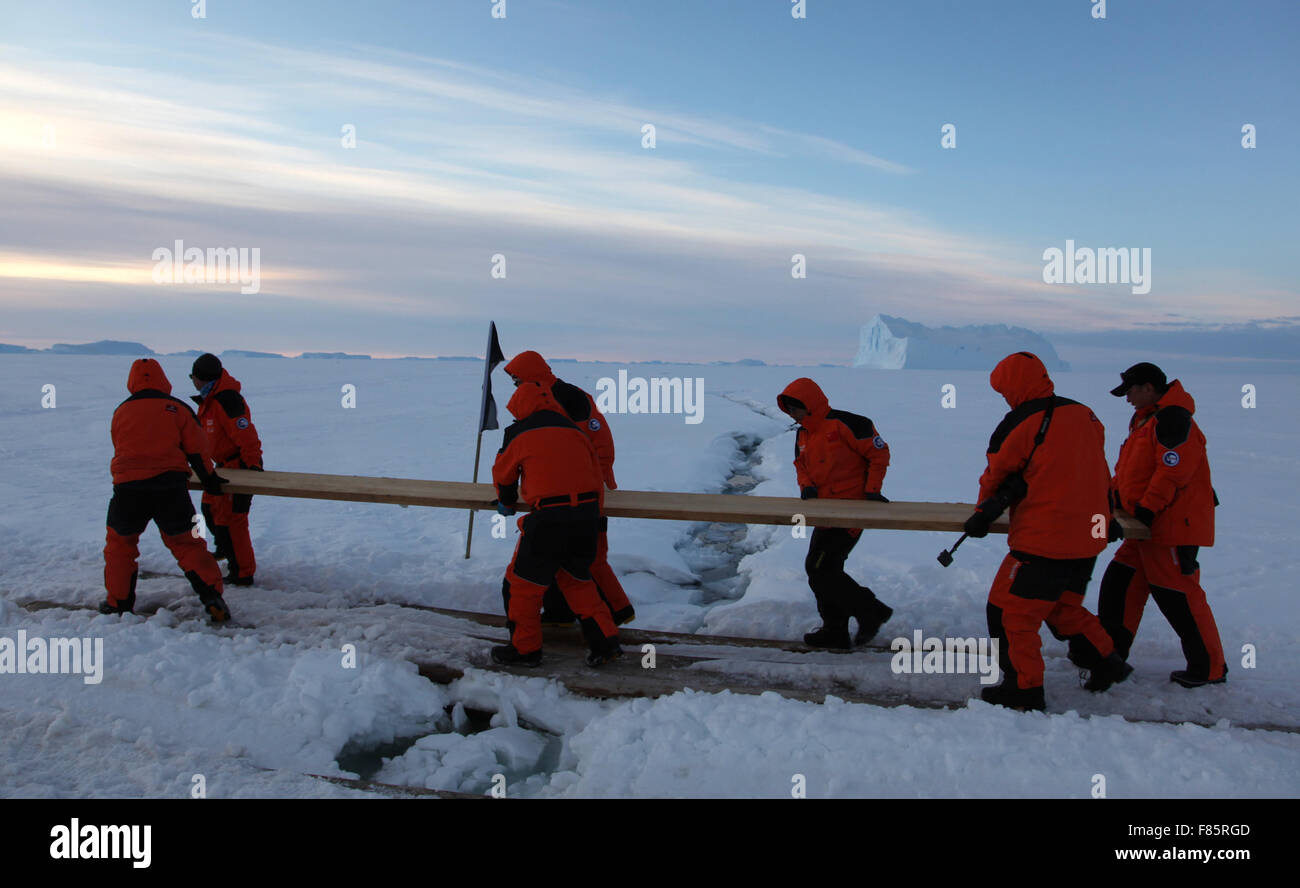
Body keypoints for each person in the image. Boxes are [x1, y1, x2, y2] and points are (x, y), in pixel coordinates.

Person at [963, 352, 1131, 711]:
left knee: (1009, 612)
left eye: (1004, 390)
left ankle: (1023, 690)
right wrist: (1108, 513)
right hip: (1090, 536)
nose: (1005, 398)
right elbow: (1098, 470)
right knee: (1061, 608)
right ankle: (1107, 662)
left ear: (1014, 384)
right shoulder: (1085, 414)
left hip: (1045, 538)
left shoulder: (1021, 422)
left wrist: (982, 513)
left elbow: (996, 474)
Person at [1096, 362, 1226, 688]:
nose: (1127, 398)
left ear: (1149, 387)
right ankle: (1109, 656)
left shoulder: (1173, 419)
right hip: (1144, 528)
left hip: (1170, 529)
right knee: (1119, 584)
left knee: (1178, 596)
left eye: (1131, 391)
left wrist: (1146, 512)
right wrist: (1113, 501)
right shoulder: (1146, 420)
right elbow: (1130, 472)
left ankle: (1209, 668)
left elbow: (1172, 473)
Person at [490, 381, 623, 667]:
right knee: (577, 581)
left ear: (520, 408)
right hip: (586, 516)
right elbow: (594, 472)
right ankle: (607, 642)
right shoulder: (575, 431)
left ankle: (525, 650)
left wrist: (506, 502)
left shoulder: (519, 432)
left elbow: (503, 474)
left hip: (550, 520)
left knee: (521, 586)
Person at [503, 351, 634, 626]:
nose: (515, 385)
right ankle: (572, 615)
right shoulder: (553, 398)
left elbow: (599, 442)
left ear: (530, 377)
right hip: (579, 491)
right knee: (573, 560)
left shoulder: (564, 400)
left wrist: (596, 477)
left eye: (517, 380)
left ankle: (613, 613)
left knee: (587, 561)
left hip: (584, 491)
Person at [102, 358, 230, 622]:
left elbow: (120, 445)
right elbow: (198, 449)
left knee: (120, 545)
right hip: (170, 488)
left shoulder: (121, 411)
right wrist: (209, 480)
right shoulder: (178, 408)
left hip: (127, 490)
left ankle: (119, 603)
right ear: (163, 379)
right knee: (188, 543)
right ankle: (212, 596)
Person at [776, 378, 893, 649]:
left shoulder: (849, 423)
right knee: (820, 568)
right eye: (789, 410)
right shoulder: (803, 432)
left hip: (852, 509)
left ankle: (871, 610)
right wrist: (806, 487)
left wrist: (872, 491)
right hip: (826, 511)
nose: (792, 415)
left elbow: (879, 454)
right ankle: (835, 630)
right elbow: (800, 464)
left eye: (796, 408)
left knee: (821, 568)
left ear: (810, 404)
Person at [189, 353, 263, 586]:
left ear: (201, 379)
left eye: (193, 377)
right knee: (209, 509)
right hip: (221, 468)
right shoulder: (210, 398)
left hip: (238, 467)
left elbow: (246, 435)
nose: (192, 381)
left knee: (234, 522)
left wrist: (252, 468)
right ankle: (224, 548)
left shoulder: (226, 399)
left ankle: (242, 572)